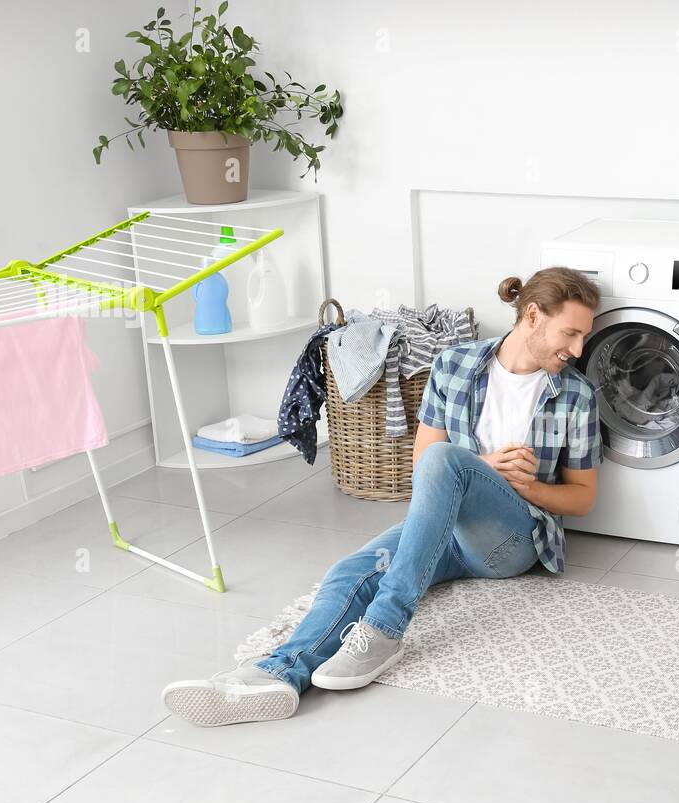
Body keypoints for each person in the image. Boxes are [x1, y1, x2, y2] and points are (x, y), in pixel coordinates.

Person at [162, 267, 603, 726]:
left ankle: (384, 629)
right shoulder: (454, 366)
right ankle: (277, 674)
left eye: (583, 337)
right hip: (445, 528)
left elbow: (582, 498)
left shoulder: (575, 395)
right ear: (532, 315)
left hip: (509, 541)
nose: (577, 350)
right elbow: (425, 467)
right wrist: (486, 467)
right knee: (349, 572)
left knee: (446, 460)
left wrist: (527, 486)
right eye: (570, 333)